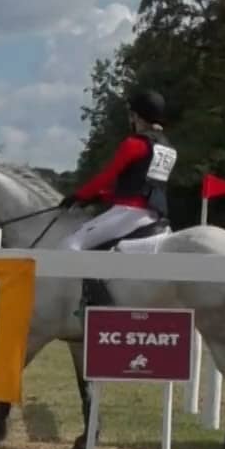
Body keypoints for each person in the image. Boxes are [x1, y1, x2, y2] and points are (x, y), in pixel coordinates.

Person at [62, 89, 177, 307]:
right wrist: (100, 197)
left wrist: (79, 195)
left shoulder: (134, 143)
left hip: (129, 214)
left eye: (131, 115)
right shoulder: (169, 148)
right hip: (155, 215)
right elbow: (144, 185)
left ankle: (99, 304)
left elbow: (107, 176)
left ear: (136, 116)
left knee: (70, 244)